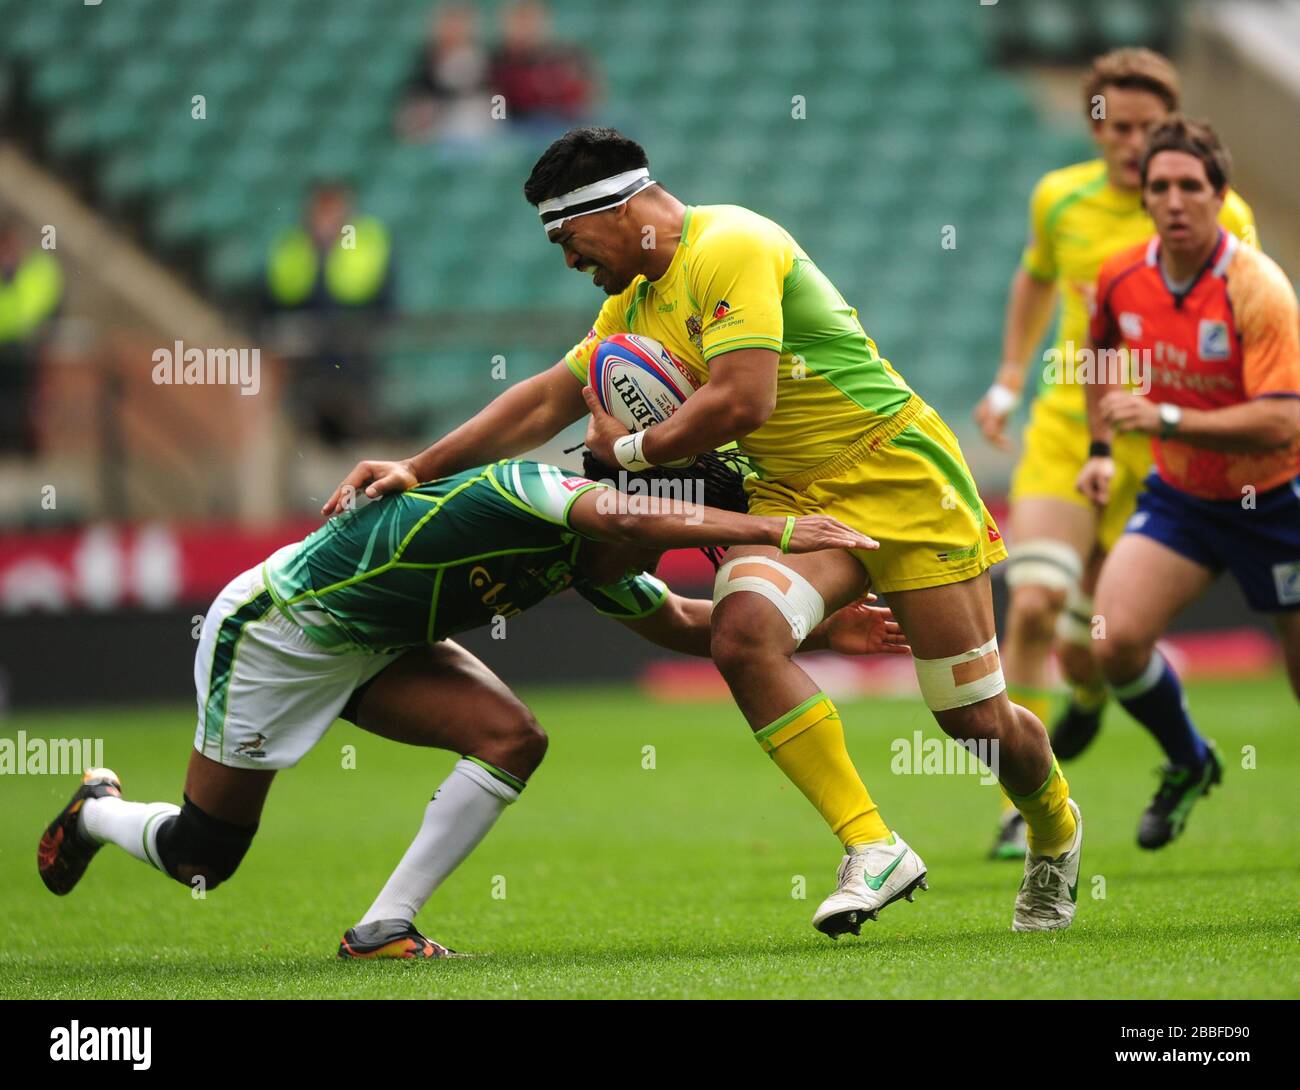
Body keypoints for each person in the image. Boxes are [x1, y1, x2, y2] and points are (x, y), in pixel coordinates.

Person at [324, 127, 1084, 934]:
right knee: (743, 632)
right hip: (790, 495)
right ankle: (873, 845)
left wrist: (630, 449)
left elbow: (742, 401)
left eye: (567, 238)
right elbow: (547, 398)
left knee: (972, 720)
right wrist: (416, 465)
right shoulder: (632, 305)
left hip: (901, 477)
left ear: (613, 209)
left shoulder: (735, 245)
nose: (570, 262)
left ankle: (1055, 834)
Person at [39, 455, 906, 957]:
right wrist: (780, 531)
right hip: (281, 632)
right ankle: (96, 814)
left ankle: (384, 927)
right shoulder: (537, 491)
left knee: (511, 737)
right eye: (692, 535)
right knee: (203, 857)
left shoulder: (594, 557)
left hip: (380, 645)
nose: (685, 557)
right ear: (646, 518)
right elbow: (612, 507)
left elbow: (682, 624)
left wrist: (824, 631)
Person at [971, 49, 1256, 860]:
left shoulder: (1217, 212)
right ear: (1094, 126)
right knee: (1029, 604)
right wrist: (1008, 377)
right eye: (1115, 126)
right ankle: (1022, 805)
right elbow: (1033, 278)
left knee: (1095, 642)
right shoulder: (1060, 199)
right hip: (1068, 427)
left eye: (1145, 128)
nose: (1130, 143)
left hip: (1165, 447)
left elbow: (1248, 314)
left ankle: (1092, 694)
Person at [1077, 117, 1300, 849]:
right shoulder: (1120, 274)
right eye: (1160, 187)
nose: (1175, 201)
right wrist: (1102, 446)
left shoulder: (1258, 287)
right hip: (1182, 500)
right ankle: (1189, 760)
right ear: (1143, 198)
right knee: (1115, 642)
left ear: (1219, 195)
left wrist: (1165, 416)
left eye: (1190, 187)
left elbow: (1280, 425)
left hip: (1277, 503)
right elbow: (1100, 353)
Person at [263, 182, 395, 445]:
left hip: (353, 352)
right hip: (308, 357)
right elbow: (278, 293)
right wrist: (320, 251)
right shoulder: (294, 244)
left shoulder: (368, 240)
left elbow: (380, 293)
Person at [0, 214, 64, 454]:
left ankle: (24, 446)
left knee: (26, 407)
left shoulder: (37, 272)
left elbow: (48, 309)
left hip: (25, 357)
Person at [395, 4, 493, 145]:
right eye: (450, 25)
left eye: (459, 25)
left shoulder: (484, 58)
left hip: (476, 125)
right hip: (438, 128)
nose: (454, 31)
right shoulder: (424, 62)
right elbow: (417, 99)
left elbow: (495, 98)